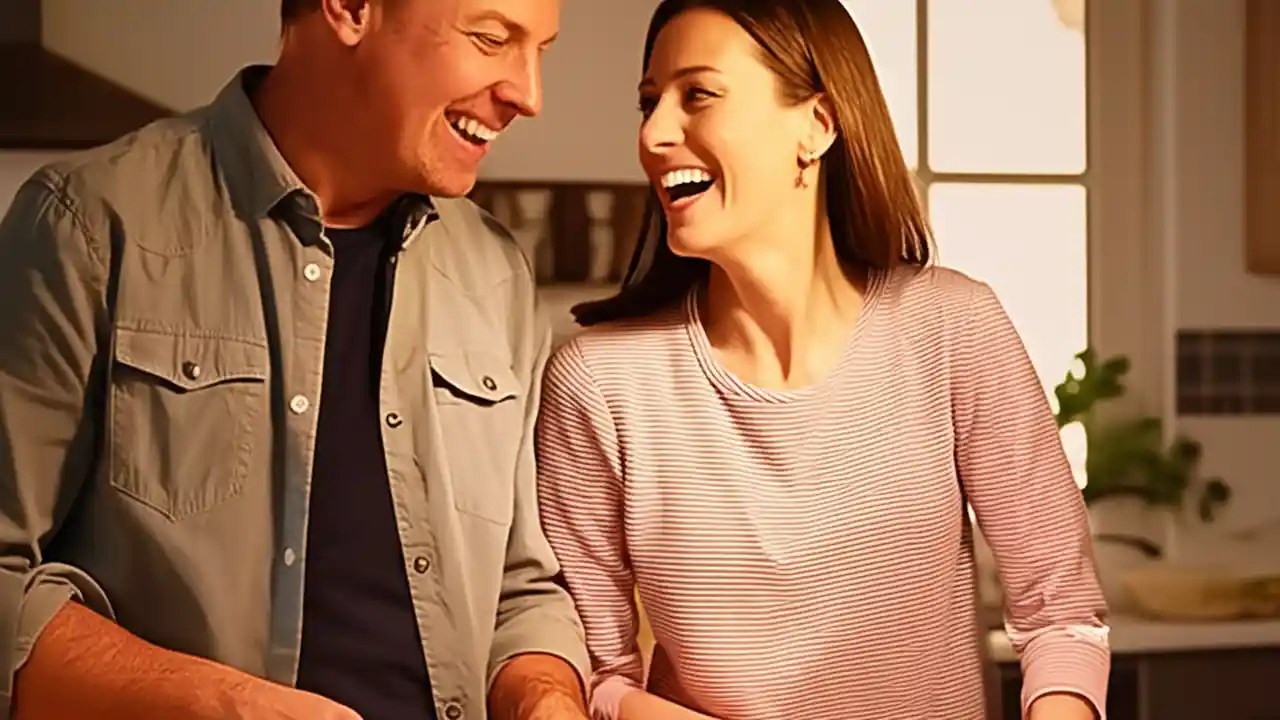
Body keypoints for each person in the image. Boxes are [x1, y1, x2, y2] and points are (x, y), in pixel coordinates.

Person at [0, 0, 591, 718]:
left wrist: (545, 697)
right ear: (348, 9)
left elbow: (520, 591)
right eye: (491, 38)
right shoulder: (87, 228)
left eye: (544, 52)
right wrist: (225, 706)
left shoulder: (497, 272)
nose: (529, 95)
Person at [533, 0, 1110, 718]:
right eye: (649, 103)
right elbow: (594, 679)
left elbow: (1061, 613)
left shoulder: (953, 329)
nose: (653, 134)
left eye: (698, 95)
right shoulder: (598, 382)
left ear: (817, 124)